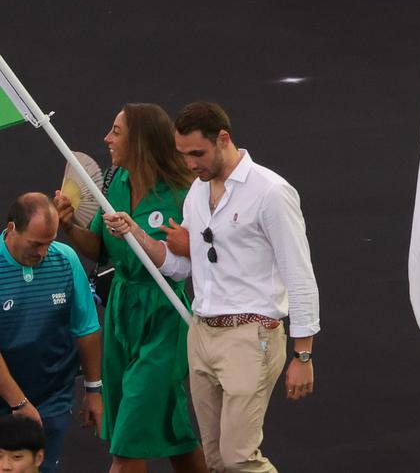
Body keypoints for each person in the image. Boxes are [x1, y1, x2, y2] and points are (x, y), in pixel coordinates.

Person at [155, 101, 320, 472]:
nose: (190, 164)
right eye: (183, 155)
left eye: (197, 153)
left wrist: (303, 354)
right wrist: (139, 239)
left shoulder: (271, 192)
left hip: (252, 337)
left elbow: (300, 273)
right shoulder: (197, 193)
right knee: (214, 460)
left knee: (238, 458)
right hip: (201, 334)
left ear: (224, 139)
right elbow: (186, 267)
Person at [55, 104, 205, 473]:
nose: (106, 138)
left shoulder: (184, 193)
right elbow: (100, 249)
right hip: (122, 312)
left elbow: (198, 256)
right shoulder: (112, 182)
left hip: (166, 317)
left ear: (140, 140)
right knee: (174, 431)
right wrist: (70, 225)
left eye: (116, 131)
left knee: (128, 435)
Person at [1, 193, 102, 473]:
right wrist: (20, 404)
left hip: (52, 396)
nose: (43, 252)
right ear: (12, 229)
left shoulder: (66, 259)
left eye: (49, 242)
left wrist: (94, 390)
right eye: (35, 244)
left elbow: (87, 328)